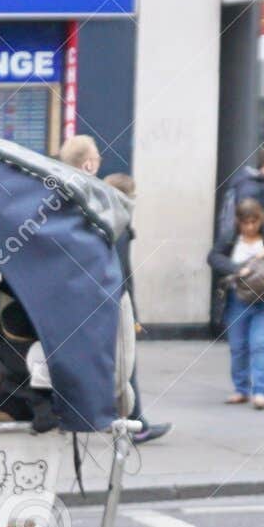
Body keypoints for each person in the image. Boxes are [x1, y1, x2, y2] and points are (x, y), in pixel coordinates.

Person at [58, 142, 169, 445]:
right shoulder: (100, 204)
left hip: (76, 297)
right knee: (122, 361)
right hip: (106, 297)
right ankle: (135, 423)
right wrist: (128, 305)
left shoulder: (63, 195)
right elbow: (118, 266)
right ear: (89, 164)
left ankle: (119, 419)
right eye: (96, 158)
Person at [208, 200, 264, 409]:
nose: (250, 227)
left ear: (260, 219)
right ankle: (241, 389)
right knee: (238, 346)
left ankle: (260, 391)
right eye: (246, 223)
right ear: (239, 222)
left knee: (260, 343)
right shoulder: (230, 236)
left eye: (254, 222)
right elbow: (213, 257)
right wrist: (236, 268)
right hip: (239, 298)